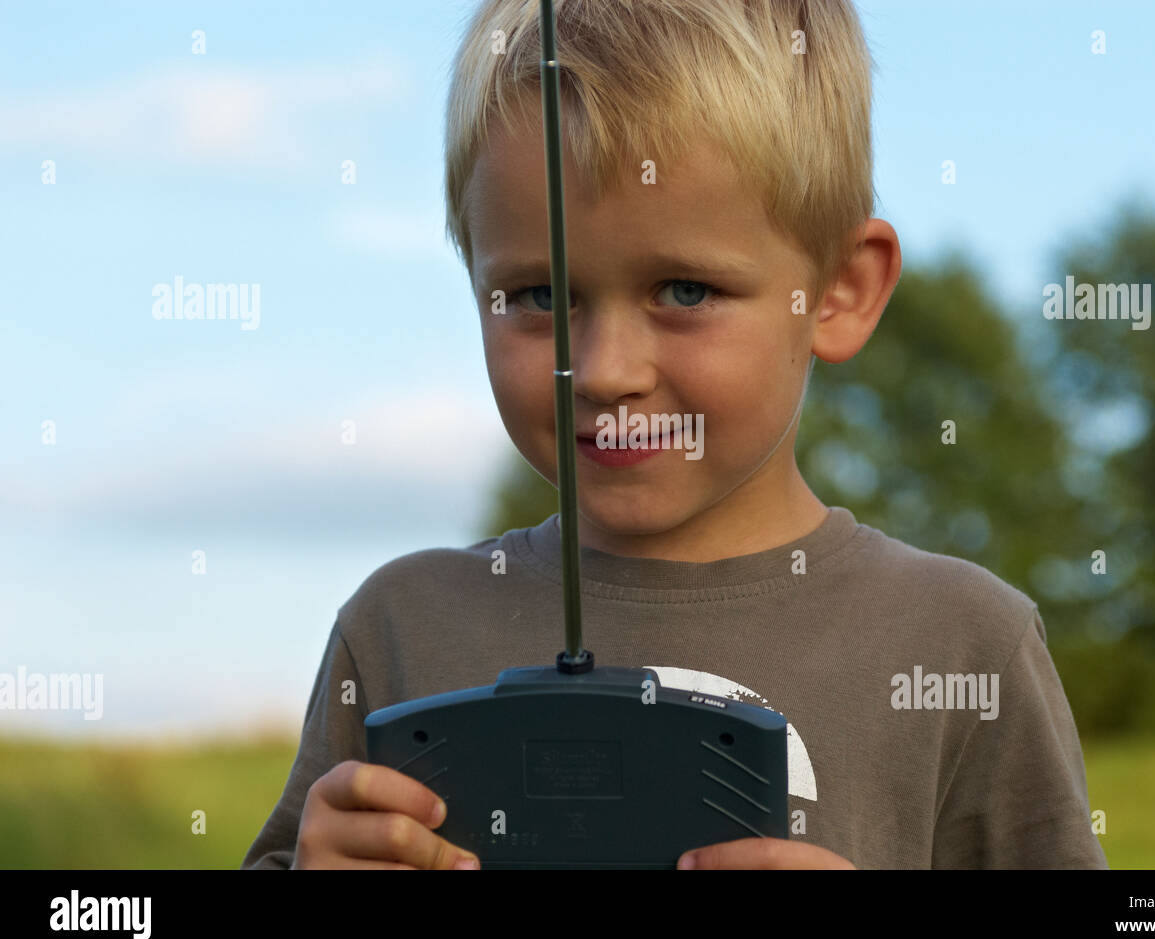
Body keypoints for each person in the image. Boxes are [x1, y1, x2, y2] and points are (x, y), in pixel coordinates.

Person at [243, 0, 1106, 869]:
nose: (606, 370)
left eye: (685, 291)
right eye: (541, 297)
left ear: (841, 291)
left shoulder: (964, 645)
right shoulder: (400, 628)